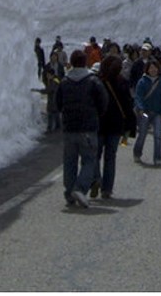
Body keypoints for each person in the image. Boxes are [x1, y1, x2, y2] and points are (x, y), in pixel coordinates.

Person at [57, 49, 107, 208]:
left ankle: (69, 193)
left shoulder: (64, 81)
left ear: (71, 62)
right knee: (89, 160)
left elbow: (58, 103)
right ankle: (80, 188)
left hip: (69, 128)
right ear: (85, 62)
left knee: (69, 162)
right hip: (88, 127)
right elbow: (103, 102)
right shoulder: (93, 81)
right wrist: (96, 114)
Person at [93, 54, 137, 199]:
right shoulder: (122, 82)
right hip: (115, 125)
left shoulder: (97, 81)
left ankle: (96, 178)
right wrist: (130, 126)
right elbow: (127, 105)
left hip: (99, 124)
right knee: (110, 157)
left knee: (94, 155)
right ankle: (107, 189)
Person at [133, 59, 161, 166]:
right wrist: (140, 108)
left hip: (157, 112)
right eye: (151, 68)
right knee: (142, 134)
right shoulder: (142, 82)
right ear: (147, 69)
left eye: (155, 68)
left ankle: (157, 158)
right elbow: (138, 97)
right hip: (145, 112)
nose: (153, 70)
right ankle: (137, 153)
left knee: (158, 135)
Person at [43, 47, 67, 132]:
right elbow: (44, 76)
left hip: (57, 85)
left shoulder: (60, 66)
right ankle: (56, 124)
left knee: (55, 105)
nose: (54, 58)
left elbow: (63, 75)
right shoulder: (47, 66)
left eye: (55, 56)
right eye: (52, 56)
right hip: (50, 84)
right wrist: (46, 84)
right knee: (53, 105)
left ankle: (54, 125)